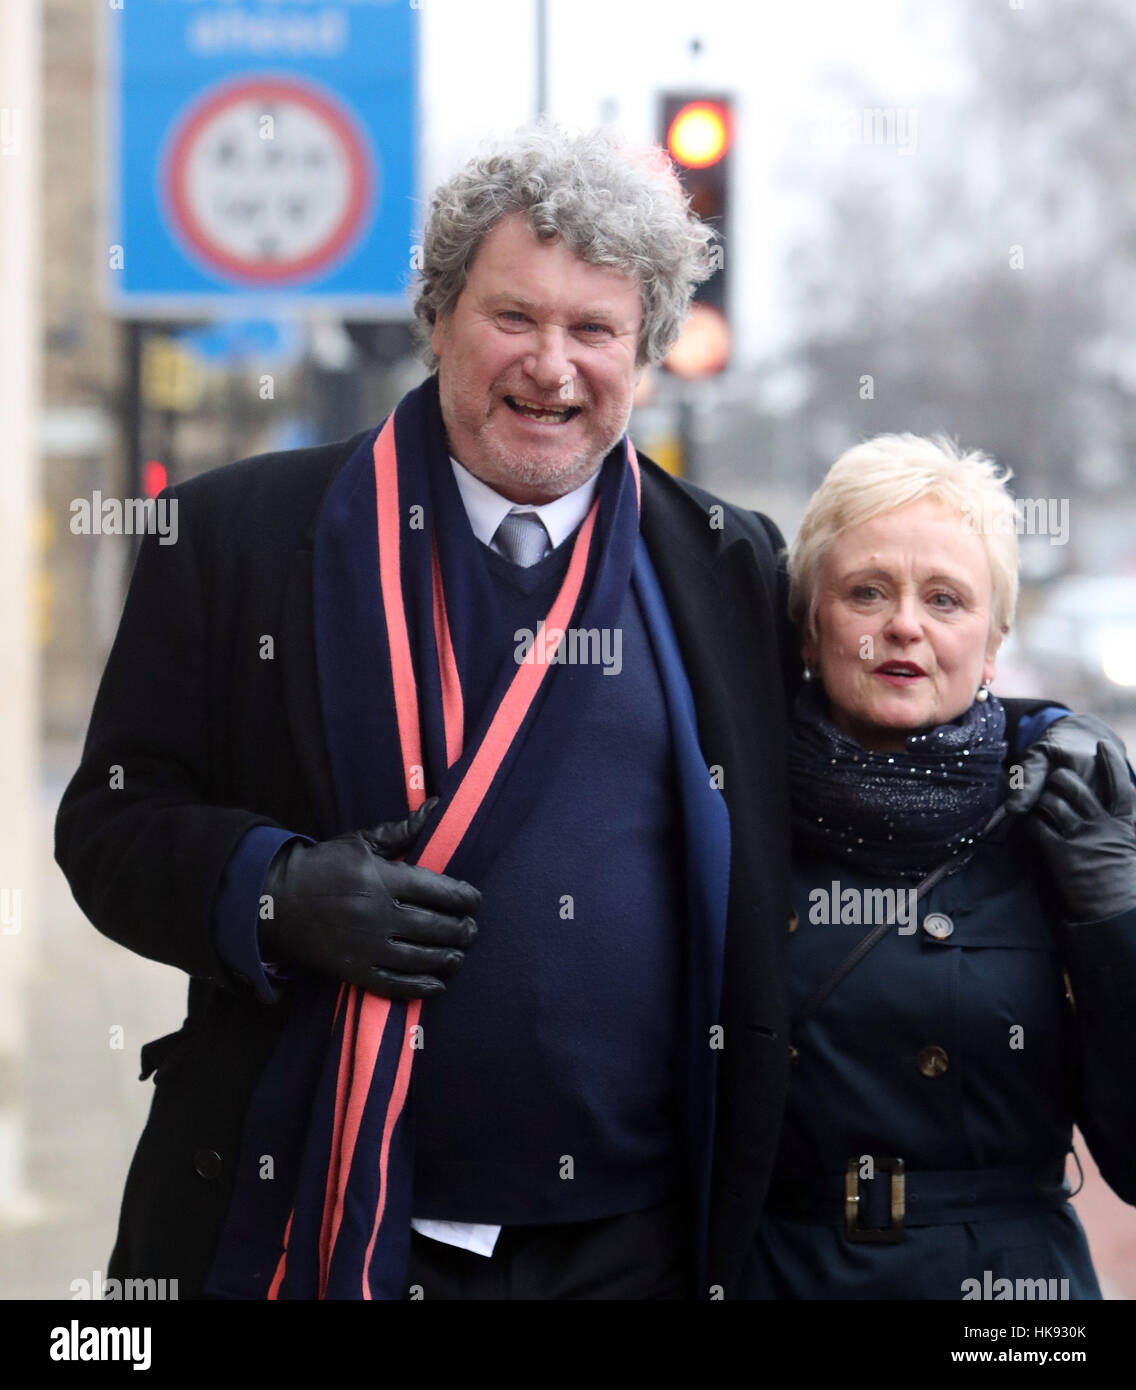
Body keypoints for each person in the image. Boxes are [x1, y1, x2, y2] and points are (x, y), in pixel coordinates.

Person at [54, 124, 798, 1301]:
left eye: (594, 330)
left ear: (645, 352)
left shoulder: (727, 562)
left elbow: (835, 796)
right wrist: (272, 889)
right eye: (513, 316)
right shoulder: (234, 536)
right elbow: (109, 821)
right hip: (318, 1217)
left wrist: (1024, 756)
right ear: (438, 316)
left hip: (634, 1247)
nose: (550, 366)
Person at [740, 433, 1136, 1299]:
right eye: (867, 591)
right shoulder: (735, 816)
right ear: (810, 627)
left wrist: (1117, 917)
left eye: (946, 599)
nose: (905, 625)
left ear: (992, 645)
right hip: (785, 1276)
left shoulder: (1063, 820)